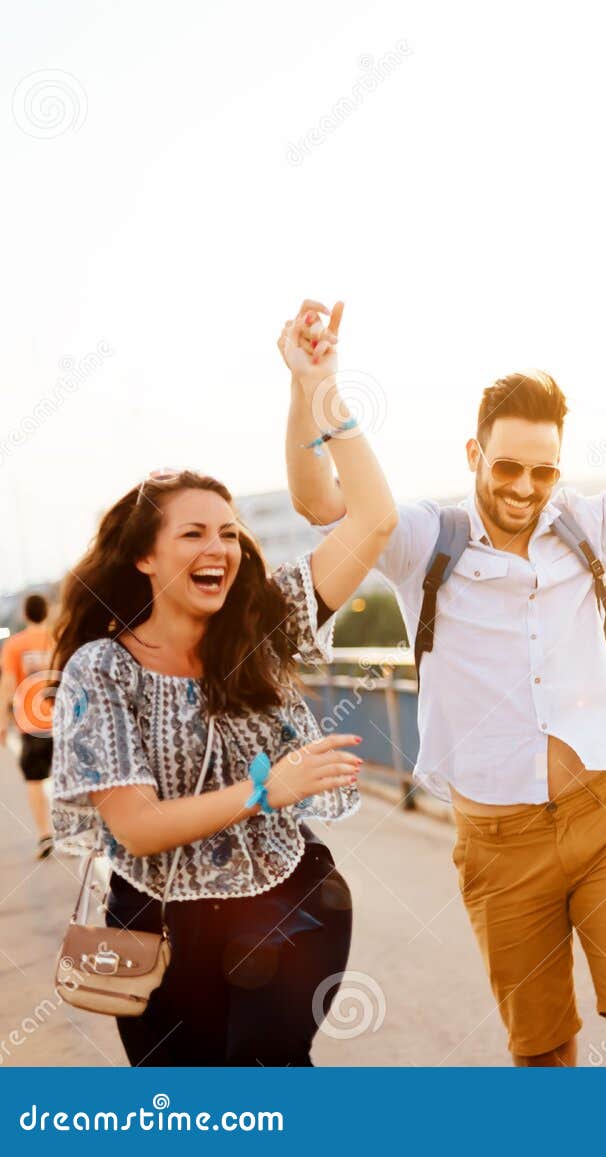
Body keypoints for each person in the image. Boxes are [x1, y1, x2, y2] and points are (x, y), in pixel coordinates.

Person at [284, 295, 606, 1067]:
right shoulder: (421, 540)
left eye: (543, 470)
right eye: (507, 466)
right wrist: (310, 385)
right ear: (473, 454)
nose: (524, 487)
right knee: (544, 1056)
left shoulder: (585, 527)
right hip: (499, 845)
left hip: (603, 818)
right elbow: (315, 500)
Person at [47, 301, 396, 1066]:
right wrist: (269, 788)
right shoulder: (100, 671)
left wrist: (320, 388)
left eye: (230, 533)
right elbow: (134, 826)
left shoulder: (263, 627)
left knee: (271, 1074)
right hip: (156, 928)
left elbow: (373, 517)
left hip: (286, 905)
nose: (221, 548)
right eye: (195, 533)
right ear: (144, 557)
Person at [2, 593, 57, 857]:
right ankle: (74, 830)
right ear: (46, 611)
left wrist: (2, 721)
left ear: (25, 615)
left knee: (34, 780)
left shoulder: (14, 645)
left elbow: (9, 685)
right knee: (68, 777)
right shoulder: (57, 639)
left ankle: (45, 834)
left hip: (31, 722)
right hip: (61, 719)